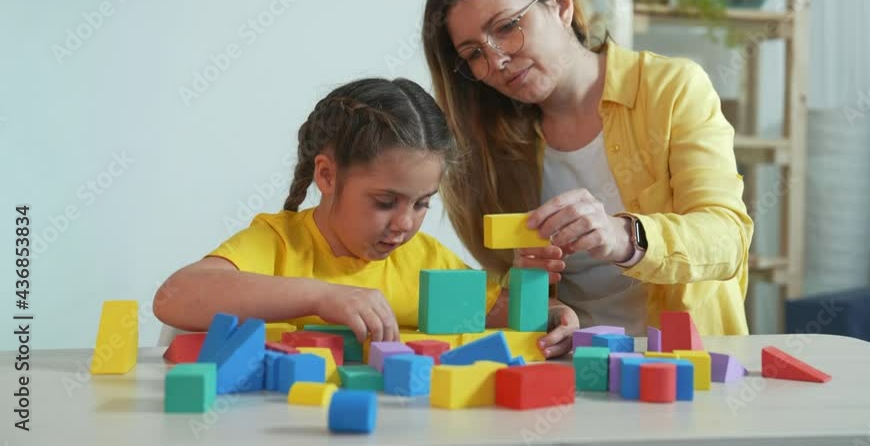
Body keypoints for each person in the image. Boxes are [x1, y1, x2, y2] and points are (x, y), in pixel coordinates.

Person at [421, 0, 754, 337]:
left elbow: (727, 237)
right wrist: (539, 302)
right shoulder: (490, 142)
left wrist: (624, 237)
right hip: (564, 366)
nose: (497, 61)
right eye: (474, 53)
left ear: (560, 4)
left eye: (507, 27)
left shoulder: (672, 88)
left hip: (681, 364)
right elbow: (507, 287)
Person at [153, 77, 579, 357]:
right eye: (384, 201)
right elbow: (174, 297)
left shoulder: (426, 260)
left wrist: (554, 315)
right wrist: (321, 297)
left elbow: (501, 313)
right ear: (327, 175)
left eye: (421, 203)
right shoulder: (279, 242)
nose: (404, 224)